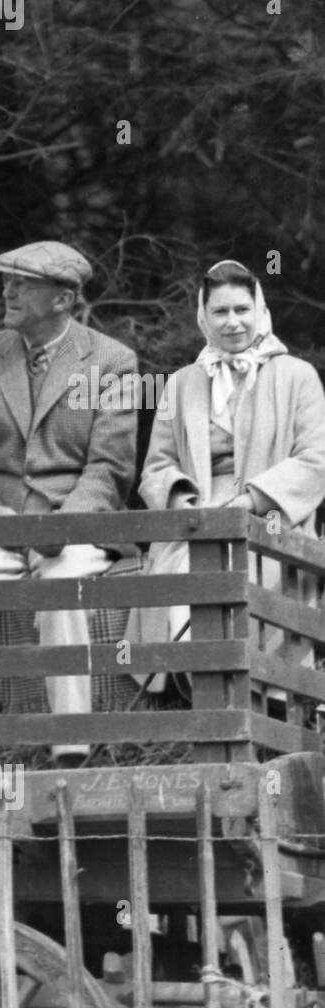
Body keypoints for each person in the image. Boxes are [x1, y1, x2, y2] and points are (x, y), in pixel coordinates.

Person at [0, 241, 138, 770]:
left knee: (61, 591)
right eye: (6, 280)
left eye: (23, 282)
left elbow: (109, 469)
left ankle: (71, 747)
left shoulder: (112, 361)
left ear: (64, 298)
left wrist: (62, 526)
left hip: (73, 527)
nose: (9, 290)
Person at [129, 259, 325, 692]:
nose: (233, 322)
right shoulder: (182, 383)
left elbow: (316, 460)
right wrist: (184, 504)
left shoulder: (297, 376)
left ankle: (266, 700)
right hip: (197, 521)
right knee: (186, 588)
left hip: (274, 519)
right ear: (204, 316)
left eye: (242, 309)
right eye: (220, 312)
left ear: (259, 310)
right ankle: (209, 706)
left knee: (258, 584)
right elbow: (156, 467)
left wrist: (251, 502)